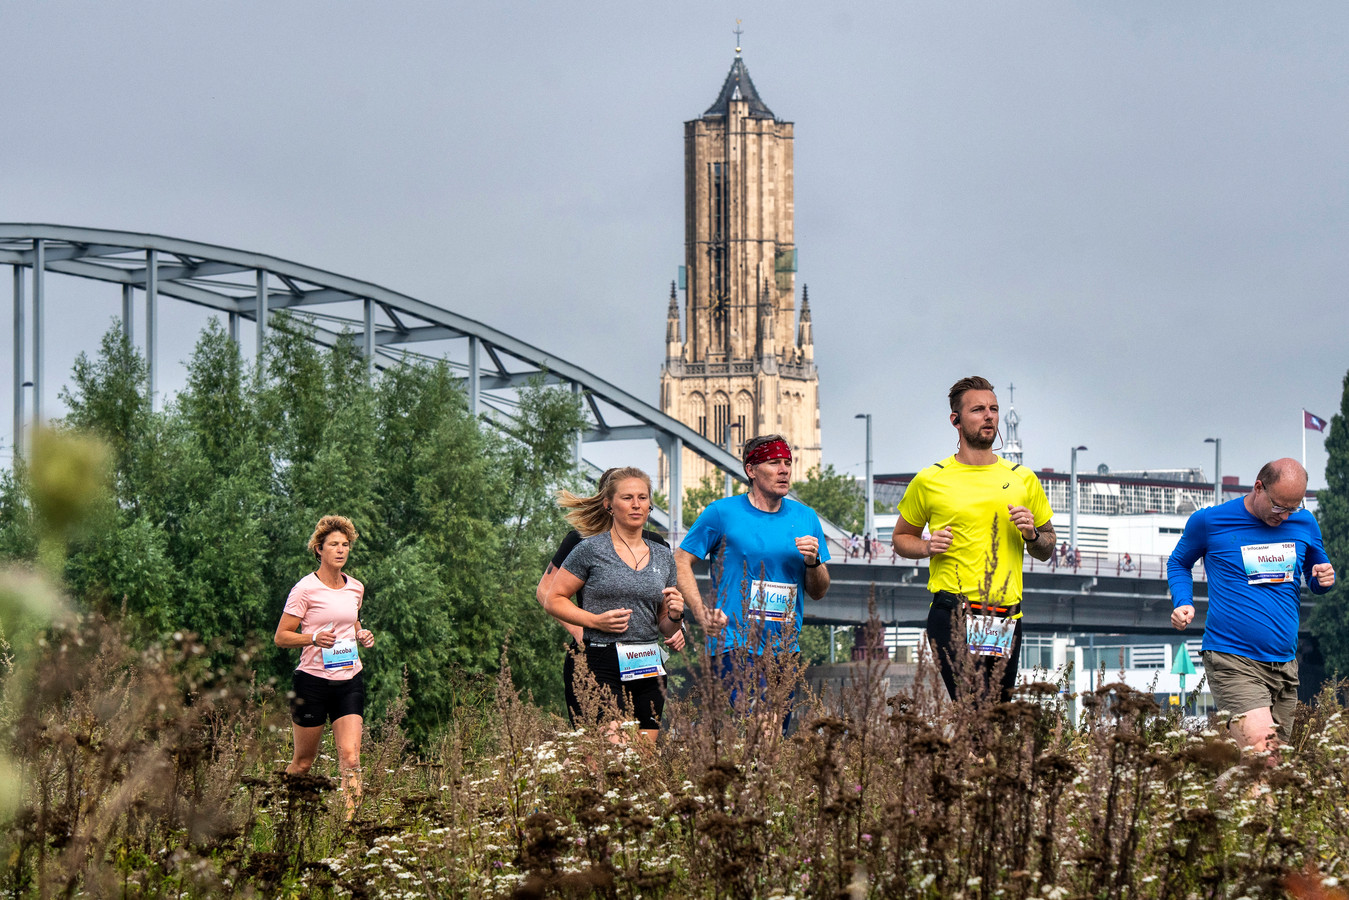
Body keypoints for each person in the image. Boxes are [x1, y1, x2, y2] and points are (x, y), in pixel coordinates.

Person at [892, 376, 1056, 703]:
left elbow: (1047, 548)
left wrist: (1032, 534)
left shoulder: (1022, 479)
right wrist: (927, 546)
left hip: (1004, 615)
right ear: (956, 420)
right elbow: (900, 538)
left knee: (995, 716)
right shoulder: (930, 479)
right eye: (978, 409)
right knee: (972, 709)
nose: (989, 416)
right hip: (955, 610)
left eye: (993, 409)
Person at [1169, 458, 1335, 753]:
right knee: (1264, 749)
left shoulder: (1305, 523)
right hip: (1233, 659)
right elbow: (1179, 563)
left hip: (1284, 664)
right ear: (1259, 487)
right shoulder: (1209, 522)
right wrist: (1183, 602)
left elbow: (1315, 575)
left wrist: (1323, 579)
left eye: (1292, 508)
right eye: (1278, 507)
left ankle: (1198, 784)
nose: (1284, 516)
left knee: (1268, 767)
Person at [675, 434, 831, 725]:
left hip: (785, 648)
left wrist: (814, 562)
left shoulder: (806, 517)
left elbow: (819, 591)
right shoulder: (721, 513)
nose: (784, 470)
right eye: (774, 463)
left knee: (773, 737)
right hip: (734, 643)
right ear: (751, 470)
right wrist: (700, 611)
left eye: (788, 463)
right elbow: (681, 559)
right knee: (763, 724)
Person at [544, 467, 686, 741]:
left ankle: (570, 767)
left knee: (641, 758)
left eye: (642, 498)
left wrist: (676, 617)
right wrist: (594, 622)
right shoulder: (588, 548)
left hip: (648, 663)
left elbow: (665, 624)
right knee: (613, 751)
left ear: (650, 504)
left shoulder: (663, 554)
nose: (636, 505)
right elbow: (552, 598)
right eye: (627, 498)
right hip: (600, 660)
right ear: (609, 504)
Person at [274, 515, 376, 816]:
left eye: (345, 544)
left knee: (351, 758)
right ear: (319, 549)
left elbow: (351, 621)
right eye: (333, 544)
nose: (341, 550)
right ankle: (283, 815)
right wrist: (313, 638)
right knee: (303, 763)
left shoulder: (355, 587)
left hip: (349, 680)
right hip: (312, 682)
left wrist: (361, 633)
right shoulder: (305, 589)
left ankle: (351, 828)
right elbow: (281, 637)